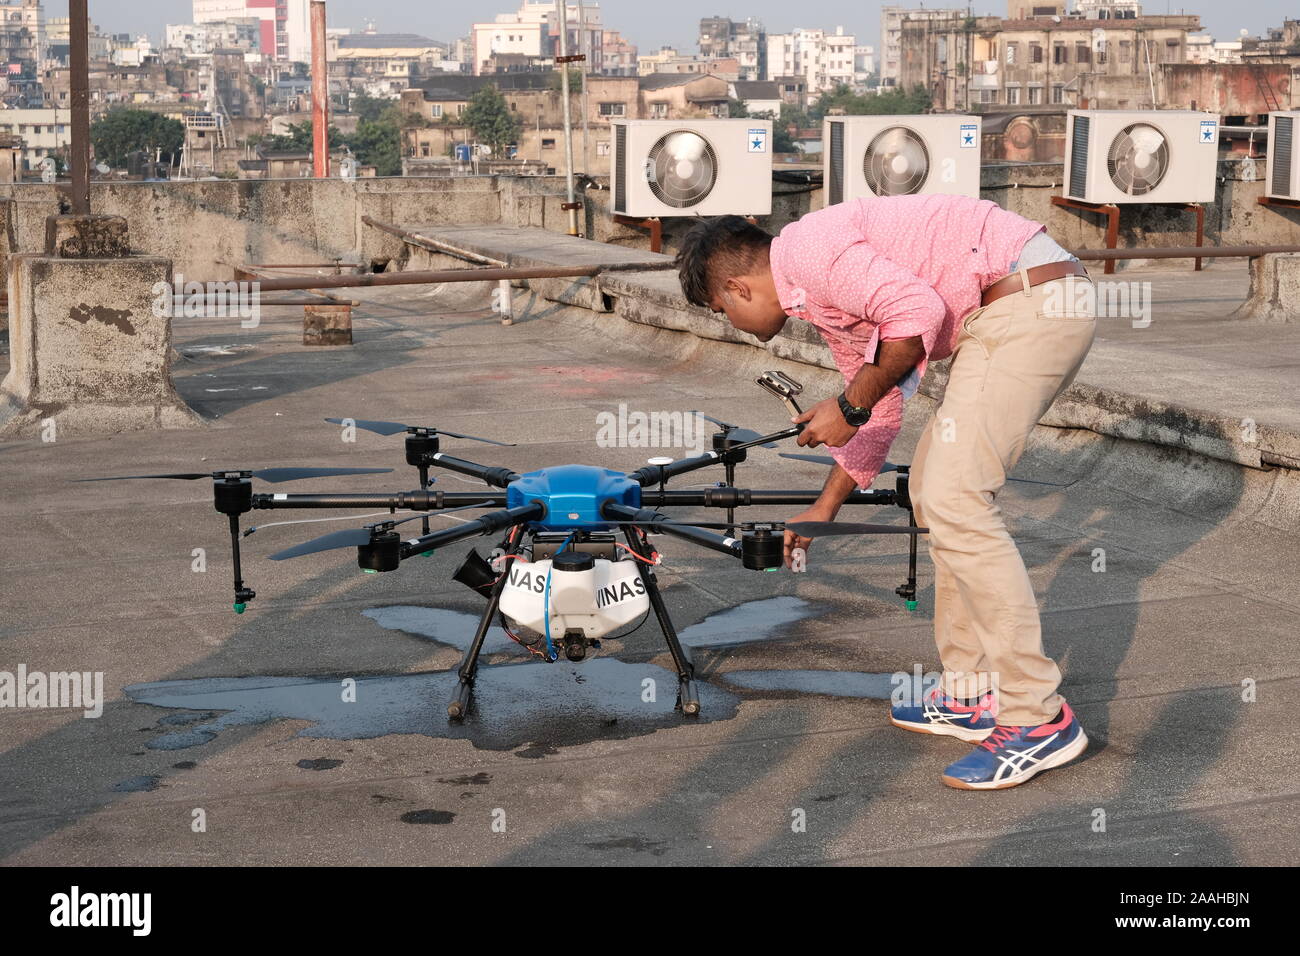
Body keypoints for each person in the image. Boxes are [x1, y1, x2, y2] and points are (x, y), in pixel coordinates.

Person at [674, 195, 1096, 790]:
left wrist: (848, 404)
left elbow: (915, 315)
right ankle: (969, 695)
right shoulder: (818, 296)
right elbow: (880, 401)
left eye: (721, 310)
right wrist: (824, 509)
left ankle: (1036, 716)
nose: (729, 322)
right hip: (1009, 306)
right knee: (932, 493)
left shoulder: (810, 251)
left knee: (955, 498)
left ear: (740, 288)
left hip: (1029, 300)